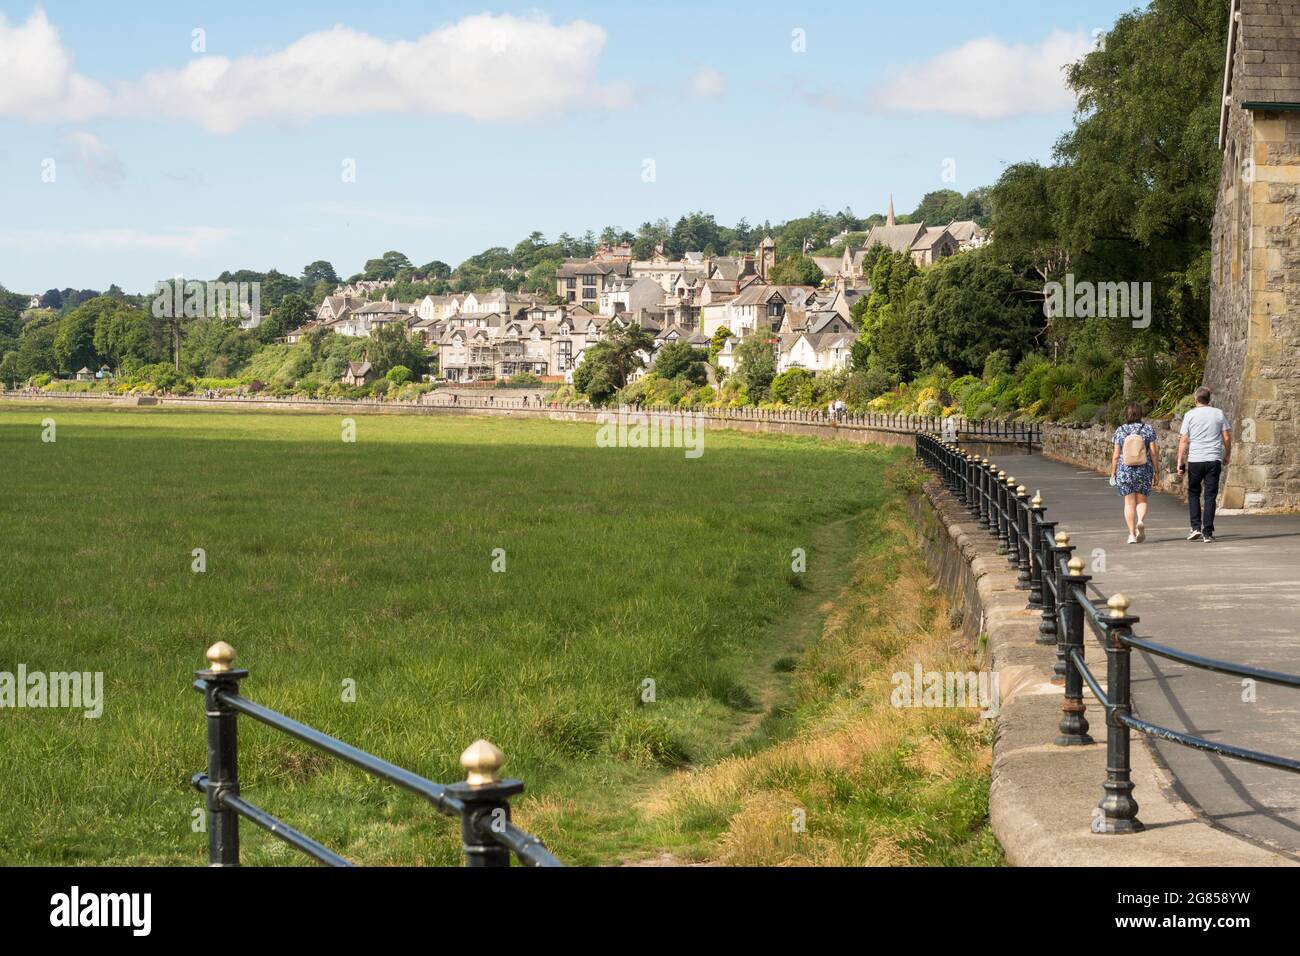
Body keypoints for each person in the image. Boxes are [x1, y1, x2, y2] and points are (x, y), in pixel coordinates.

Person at [1177, 386, 1232, 543]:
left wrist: (1180, 461)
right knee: (1210, 495)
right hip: (1213, 459)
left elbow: (1184, 440)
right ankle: (1207, 532)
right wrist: (1227, 454)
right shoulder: (1218, 413)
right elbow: (1226, 438)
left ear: (1196, 400)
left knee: (1194, 493)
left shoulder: (1189, 415)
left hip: (1195, 459)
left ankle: (1195, 528)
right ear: (1210, 399)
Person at [1110, 403, 1160, 545]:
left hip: (1125, 470)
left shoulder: (1120, 430)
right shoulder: (1148, 429)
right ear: (1140, 414)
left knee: (1129, 503)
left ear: (1126, 414)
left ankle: (1131, 535)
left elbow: (1116, 455)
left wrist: (1113, 472)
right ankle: (1140, 521)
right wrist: (1157, 471)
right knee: (1142, 501)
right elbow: (1154, 452)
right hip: (1144, 469)